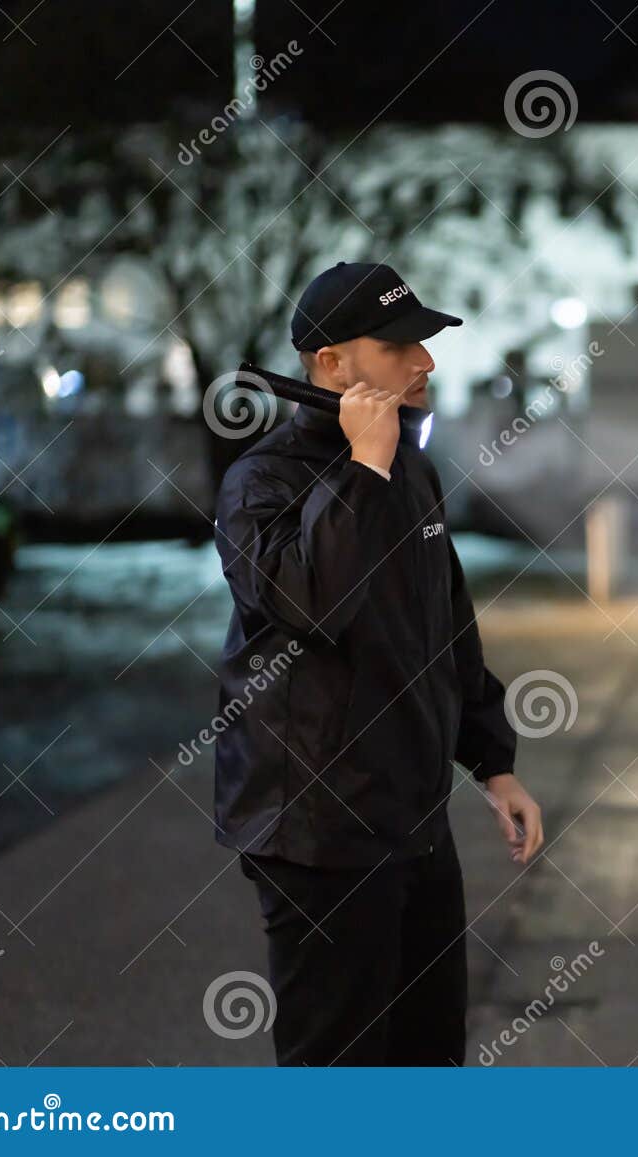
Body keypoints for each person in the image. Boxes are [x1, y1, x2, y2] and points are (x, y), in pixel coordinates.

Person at [211, 260, 544, 1066]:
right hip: (320, 835)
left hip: (412, 821)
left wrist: (492, 761)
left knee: (429, 1054)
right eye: (398, 347)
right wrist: (362, 467)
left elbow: (442, 622)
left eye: (422, 343)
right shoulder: (261, 483)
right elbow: (314, 603)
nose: (424, 361)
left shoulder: (410, 469)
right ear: (330, 363)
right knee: (342, 1066)